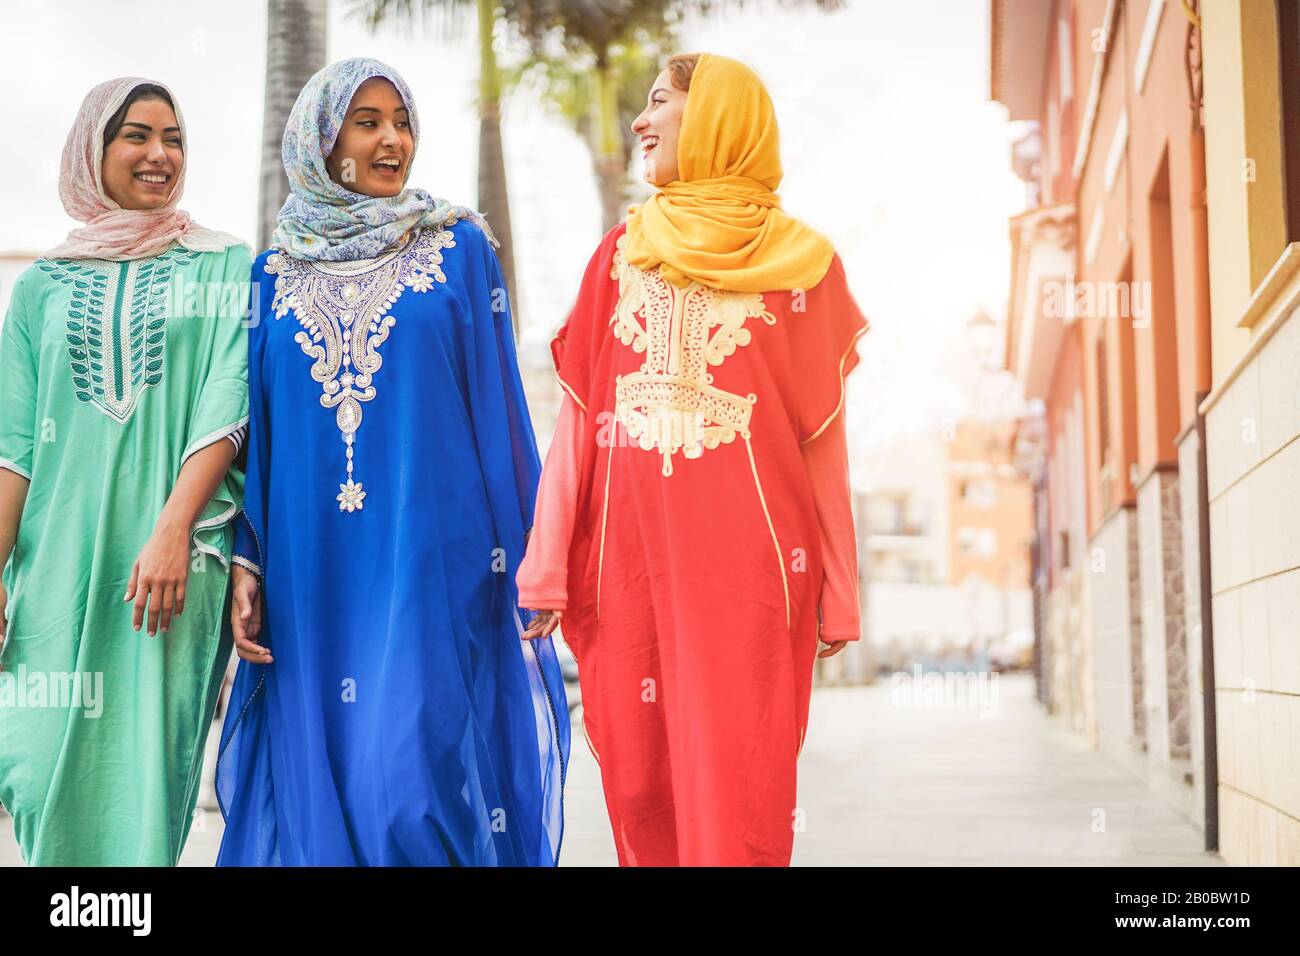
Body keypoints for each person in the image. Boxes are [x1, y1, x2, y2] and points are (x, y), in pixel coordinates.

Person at [215, 58, 569, 866]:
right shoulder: (269, 275)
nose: (391, 139)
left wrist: (531, 555)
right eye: (367, 121)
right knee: (325, 777)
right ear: (321, 137)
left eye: (401, 121)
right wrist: (248, 556)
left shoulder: (459, 246)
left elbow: (499, 404)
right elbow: (256, 430)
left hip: (436, 559)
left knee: (413, 780)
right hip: (314, 574)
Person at [517, 52, 868, 866]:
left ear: (716, 118)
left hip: (753, 574)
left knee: (738, 782)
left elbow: (823, 443)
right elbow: (578, 424)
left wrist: (841, 591)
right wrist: (544, 564)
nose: (641, 121)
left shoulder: (805, 266)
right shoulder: (618, 256)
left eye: (660, 101)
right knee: (643, 784)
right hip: (626, 566)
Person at [0, 77, 250, 865]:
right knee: (35, 770)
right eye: (136, 136)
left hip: (171, 563)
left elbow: (228, 402)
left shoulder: (224, 264)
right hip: (55, 570)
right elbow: (13, 447)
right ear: (92, 149)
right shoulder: (40, 287)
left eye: (173, 138)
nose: (158, 154)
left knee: (142, 783)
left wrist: (173, 530)